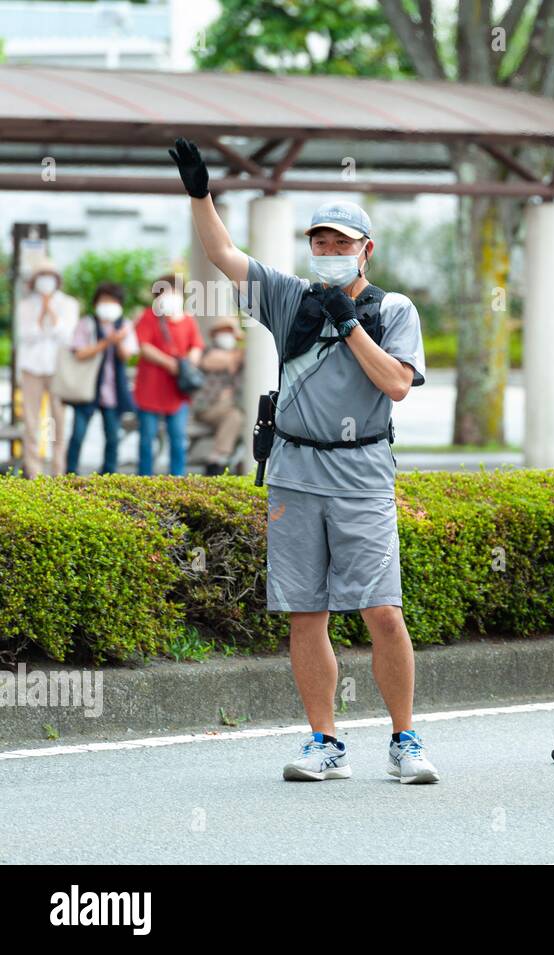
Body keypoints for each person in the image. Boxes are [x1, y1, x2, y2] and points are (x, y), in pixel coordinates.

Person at [169, 138, 438, 784]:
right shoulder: (290, 297)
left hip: (361, 472)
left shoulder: (392, 309)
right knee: (304, 611)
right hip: (293, 470)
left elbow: (396, 384)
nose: (330, 252)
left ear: (366, 249)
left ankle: (404, 738)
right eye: (320, 242)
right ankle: (325, 739)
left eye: (342, 243)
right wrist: (201, 195)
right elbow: (222, 254)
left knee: (382, 610)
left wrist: (350, 325)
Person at [133, 272, 203, 476]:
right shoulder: (149, 317)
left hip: (177, 393)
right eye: (164, 292)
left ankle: (177, 481)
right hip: (150, 391)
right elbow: (144, 347)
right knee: (147, 440)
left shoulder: (188, 320)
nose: (170, 296)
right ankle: (144, 481)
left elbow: (196, 347)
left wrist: (188, 363)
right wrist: (171, 364)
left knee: (178, 440)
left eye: (174, 291)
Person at [65, 282, 138, 475]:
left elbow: (126, 356)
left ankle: (108, 476)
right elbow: (79, 353)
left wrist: (119, 340)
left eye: (112, 301)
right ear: (96, 302)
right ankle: (70, 475)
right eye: (104, 300)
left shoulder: (125, 325)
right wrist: (107, 342)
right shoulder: (86, 323)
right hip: (87, 389)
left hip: (113, 391)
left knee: (113, 437)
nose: (108, 304)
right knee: (78, 435)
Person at [16, 257, 79, 477]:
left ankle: (57, 473)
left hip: (57, 370)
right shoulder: (25, 305)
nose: (46, 281)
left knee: (57, 423)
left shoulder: (68, 304)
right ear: (35, 280)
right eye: (42, 276)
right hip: (31, 369)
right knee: (32, 422)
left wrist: (50, 311)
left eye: (50, 276)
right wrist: (41, 313)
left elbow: (67, 337)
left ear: (56, 279)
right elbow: (26, 335)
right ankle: (33, 474)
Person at [193, 315, 247, 475]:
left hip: (230, 408)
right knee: (236, 416)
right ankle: (218, 460)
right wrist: (238, 355)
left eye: (230, 331)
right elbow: (212, 361)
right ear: (215, 333)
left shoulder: (239, 357)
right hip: (207, 407)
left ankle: (218, 460)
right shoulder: (207, 352)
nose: (226, 335)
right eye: (223, 331)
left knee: (237, 416)